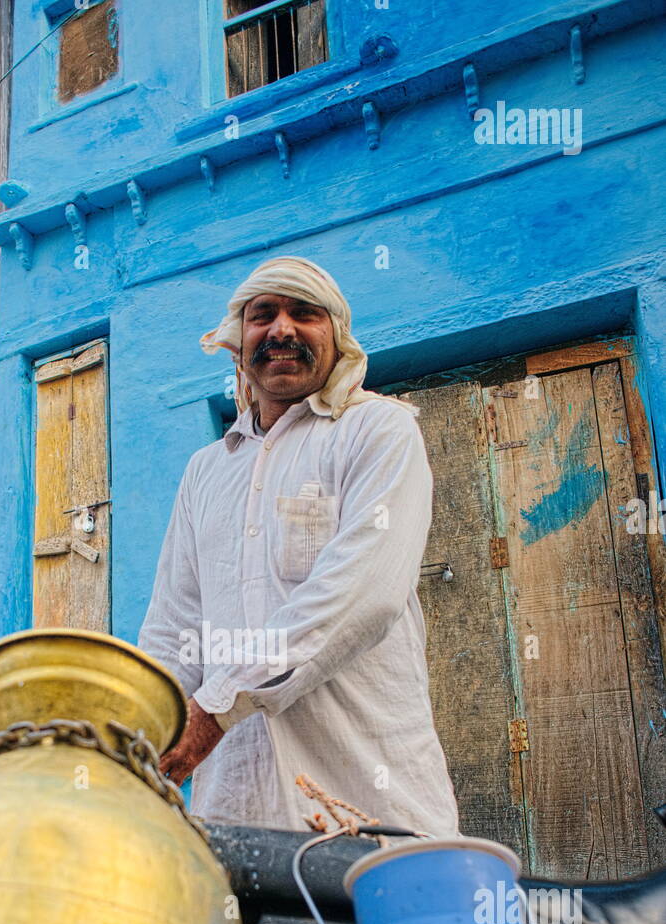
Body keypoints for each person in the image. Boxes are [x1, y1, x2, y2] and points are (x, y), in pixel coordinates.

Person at [138, 255, 459, 836]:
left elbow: (364, 592)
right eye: (263, 315)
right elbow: (174, 628)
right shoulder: (206, 470)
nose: (282, 328)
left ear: (336, 339)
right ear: (239, 343)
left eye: (304, 313)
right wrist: (140, 728)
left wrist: (218, 706)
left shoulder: (378, 430)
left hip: (366, 790)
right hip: (234, 806)